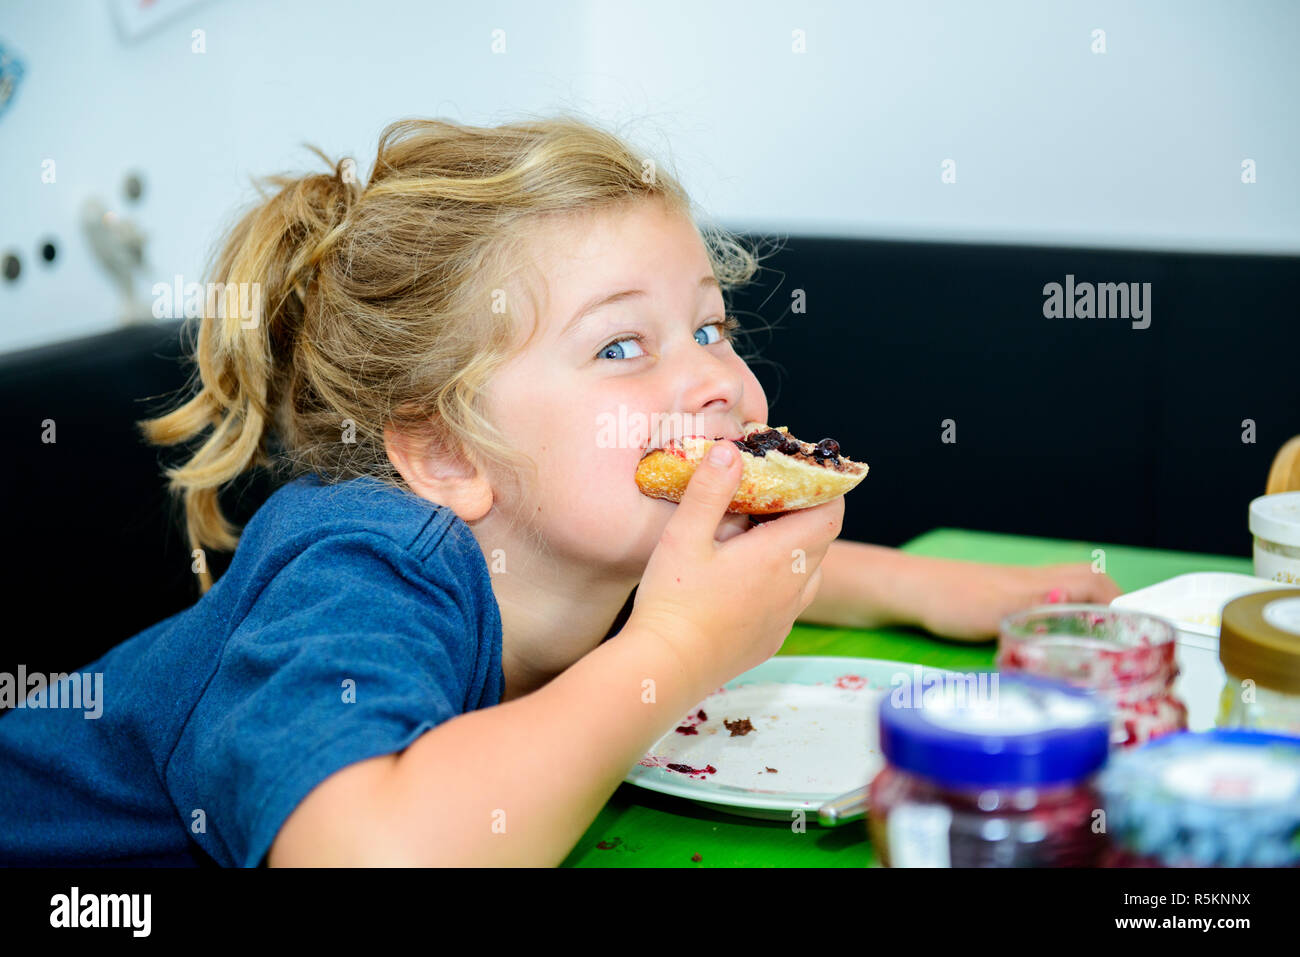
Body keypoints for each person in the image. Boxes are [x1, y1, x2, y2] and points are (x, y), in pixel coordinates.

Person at [0, 116, 1120, 867]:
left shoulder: (570, 540)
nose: (714, 378)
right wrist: (675, 654)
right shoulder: (367, 565)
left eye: (707, 326)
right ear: (447, 456)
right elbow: (362, 851)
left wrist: (939, 590)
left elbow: (726, 569)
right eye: (621, 349)